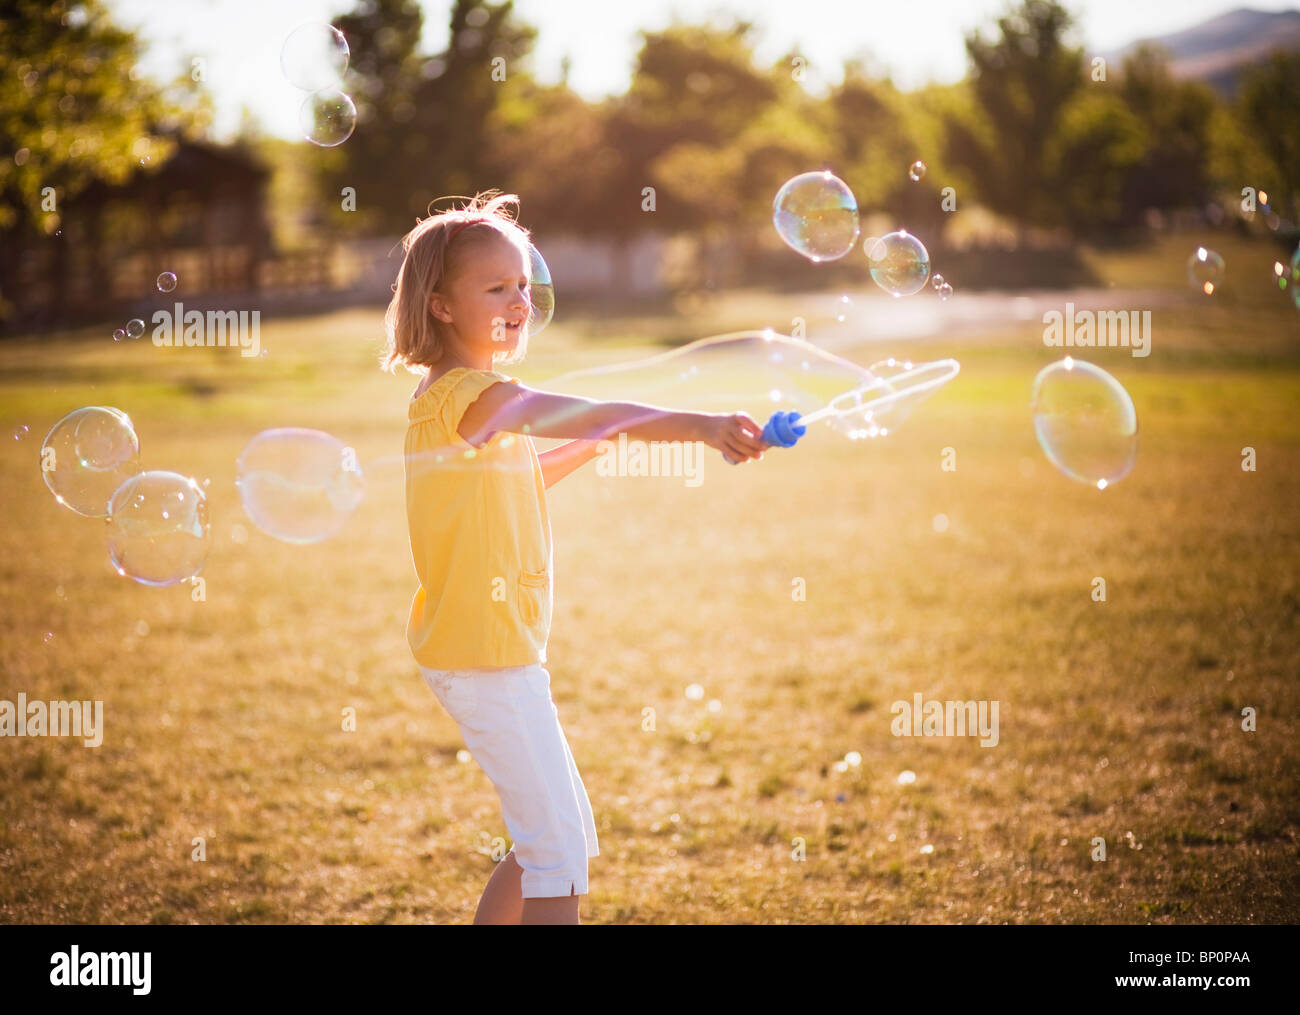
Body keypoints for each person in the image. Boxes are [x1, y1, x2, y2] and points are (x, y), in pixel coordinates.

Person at [382, 190, 769, 924]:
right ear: (439, 305)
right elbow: (586, 407)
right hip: (485, 656)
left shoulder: (461, 399)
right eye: (496, 287)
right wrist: (701, 425)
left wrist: (589, 448)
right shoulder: (473, 394)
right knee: (557, 857)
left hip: (493, 649)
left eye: (523, 284)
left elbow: (518, 473)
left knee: (553, 844)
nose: (518, 300)